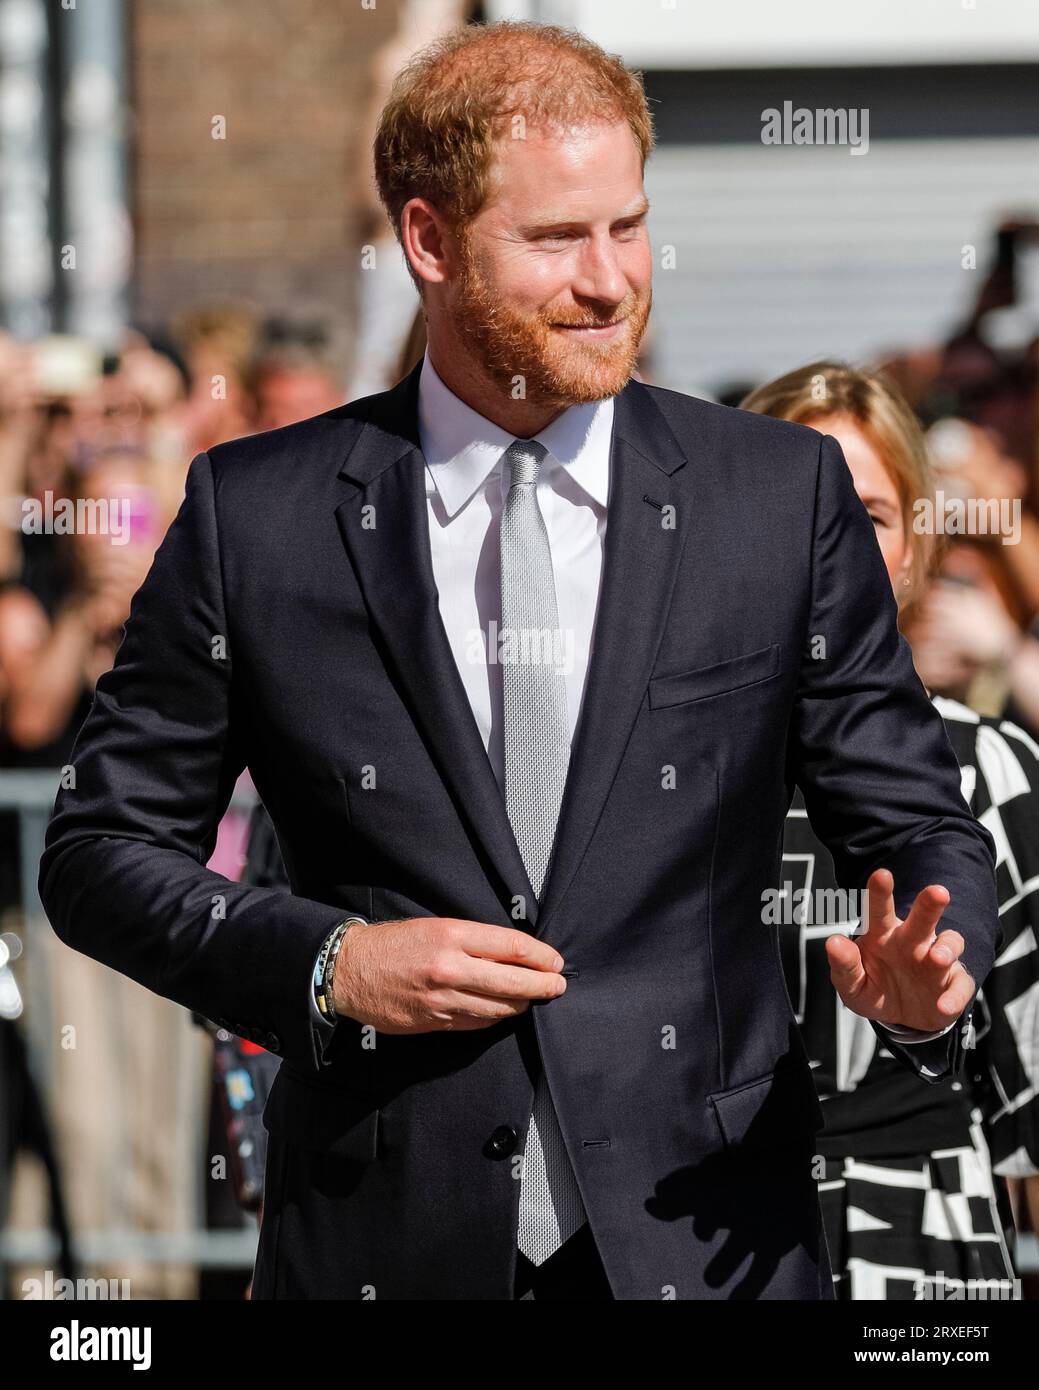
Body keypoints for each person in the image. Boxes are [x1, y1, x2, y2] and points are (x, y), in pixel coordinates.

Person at [38, 20, 1000, 1301]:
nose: (610, 280)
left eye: (628, 225)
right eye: (555, 240)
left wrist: (928, 980)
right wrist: (328, 964)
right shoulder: (256, 517)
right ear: (428, 241)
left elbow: (916, 819)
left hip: (706, 1242)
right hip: (383, 1240)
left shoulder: (774, 498)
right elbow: (99, 852)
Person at [743, 361, 1038, 1298]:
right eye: (796, 505)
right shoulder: (649, 773)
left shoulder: (993, 769)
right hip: (698, 1247)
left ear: (911, 548)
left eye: (864, 515)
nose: (826, 542)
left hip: (924, 1253)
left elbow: (1033, 1110)